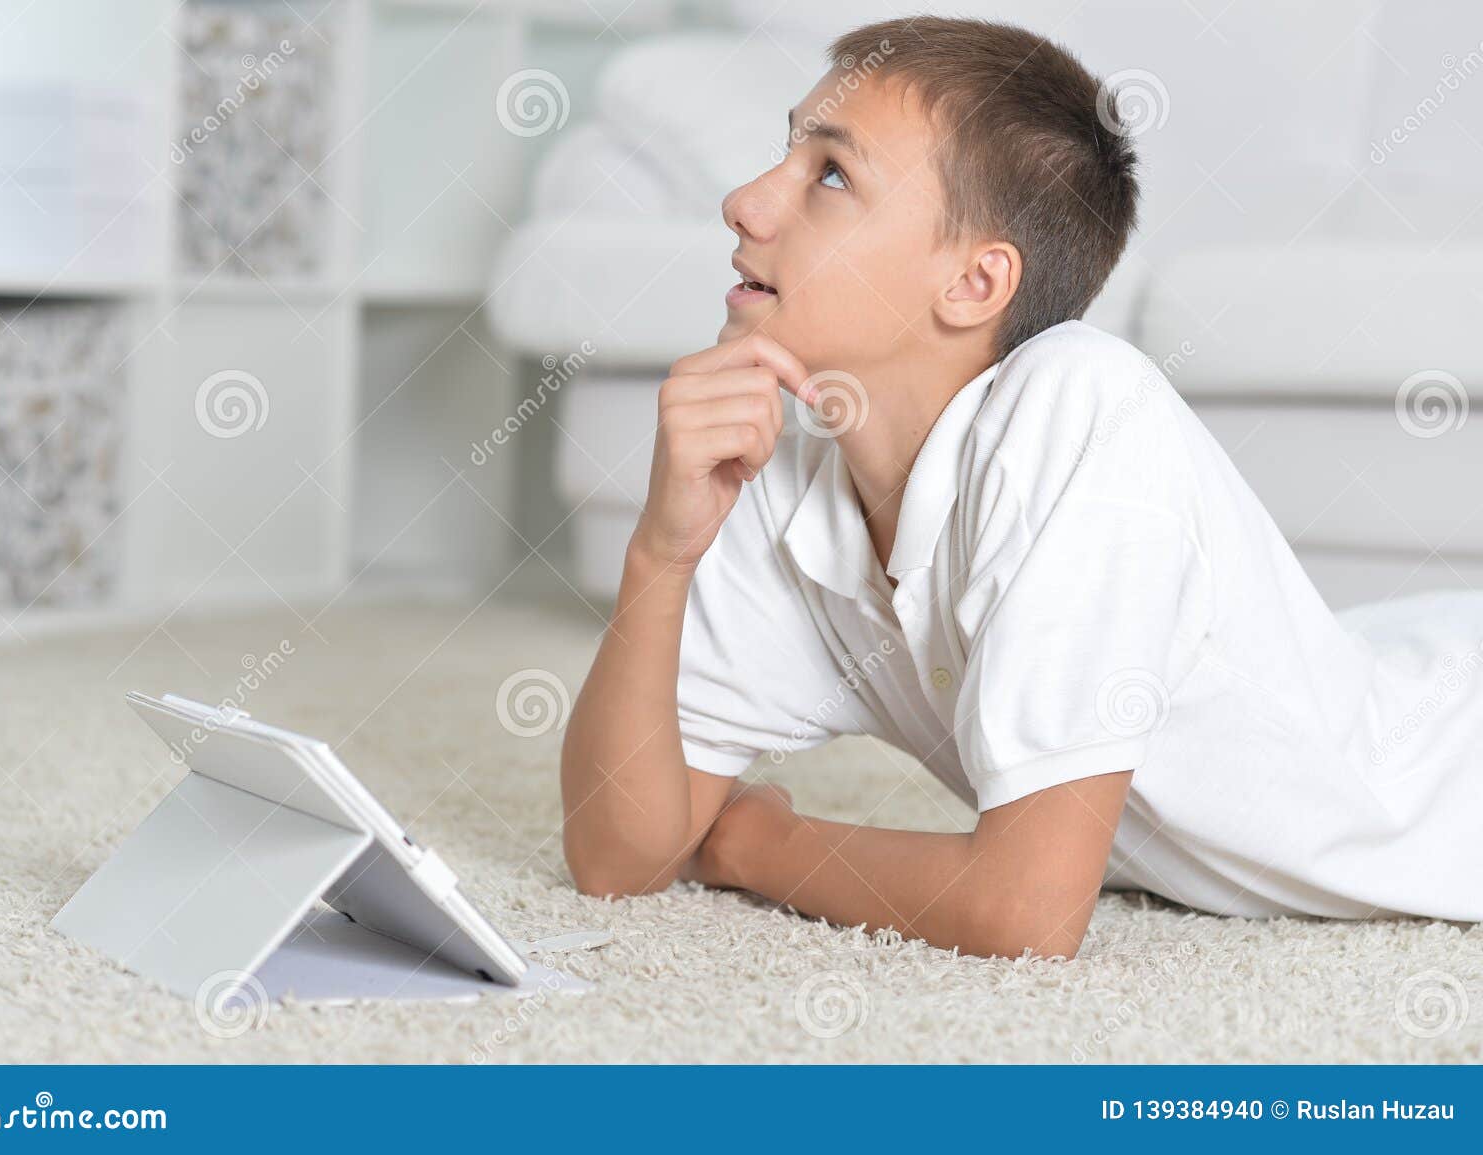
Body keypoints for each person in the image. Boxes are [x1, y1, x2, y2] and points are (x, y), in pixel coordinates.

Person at [559, 16, 1483, 960]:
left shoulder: (1081, 405)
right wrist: (661, 553)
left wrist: (763, 844)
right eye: (785, 154)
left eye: (830, 174)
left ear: (974, 282)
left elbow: (1025, 911)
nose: (744, 203)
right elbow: (616, 856)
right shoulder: (791, 482)